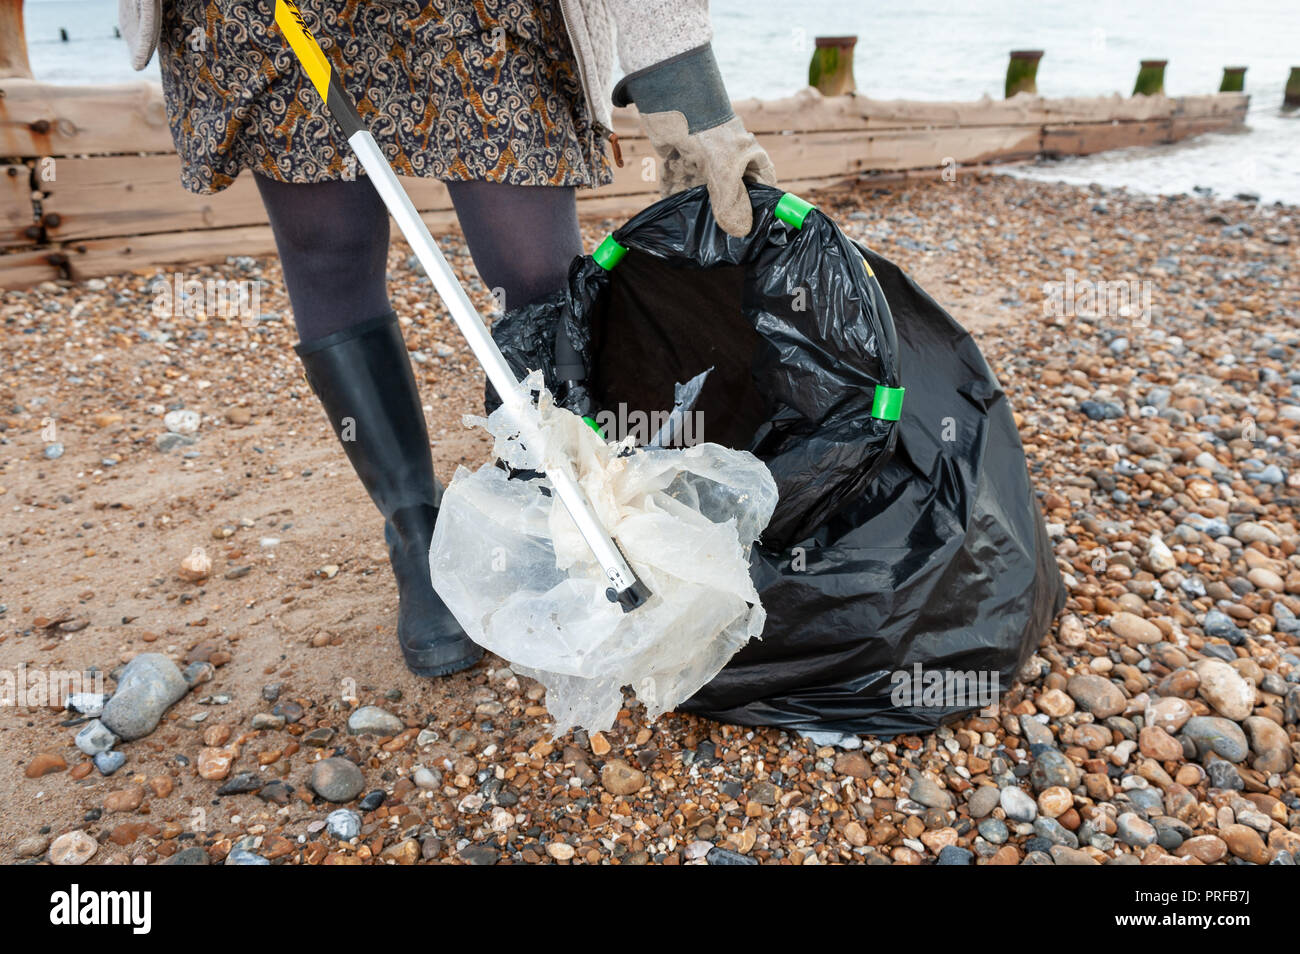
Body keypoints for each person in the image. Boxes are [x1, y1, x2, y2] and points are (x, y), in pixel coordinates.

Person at [120, 0, 776, 677]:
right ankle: (415, 530)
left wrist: (689, 99)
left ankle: (557, 515)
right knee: (327, 251)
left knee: (535, 269)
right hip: (278, 15)